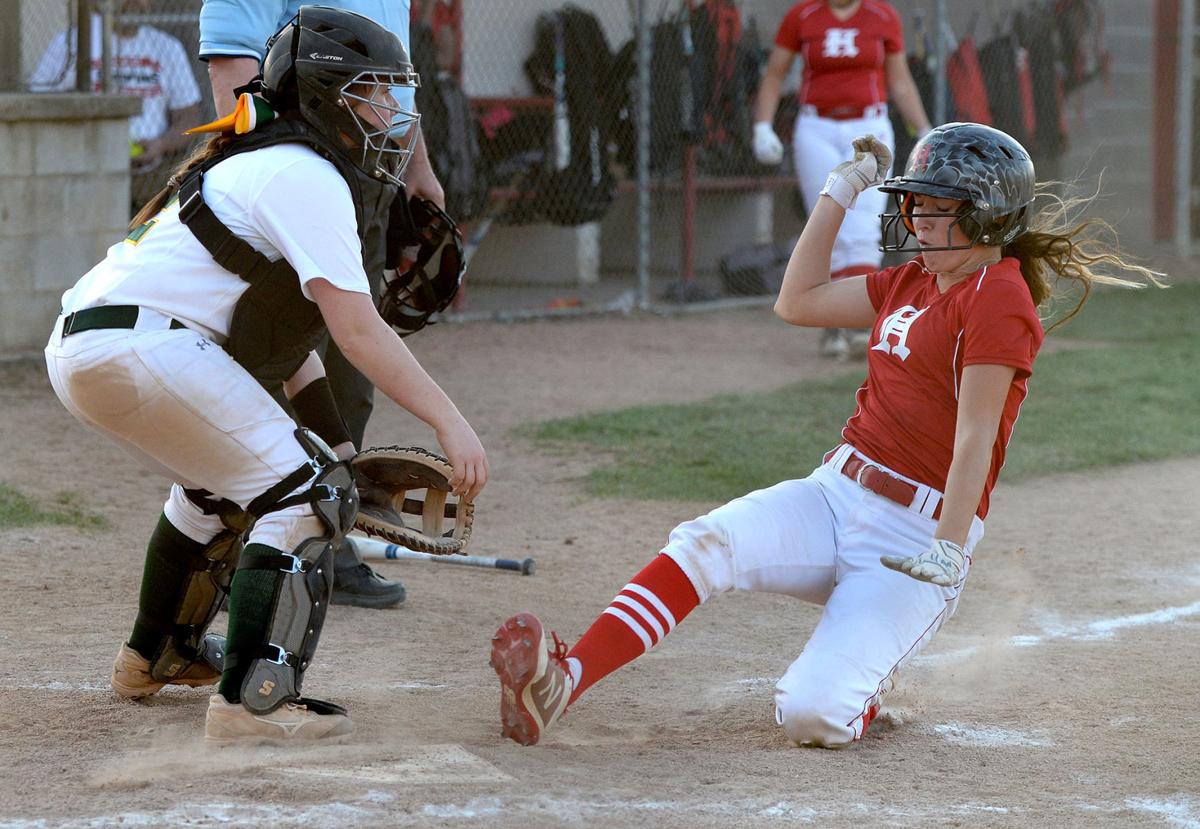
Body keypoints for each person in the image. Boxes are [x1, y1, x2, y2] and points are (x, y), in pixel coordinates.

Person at [489, 122, 1162, 748]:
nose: (918, 219)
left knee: (813, 714)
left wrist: (949, 547)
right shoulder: (913, 280)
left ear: (990, 216)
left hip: (916, 538)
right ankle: (565, 680)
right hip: (835, 493)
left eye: (940, 207)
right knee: (705, 543)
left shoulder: (997, 296)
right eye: (917, 203)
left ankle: (864, 684)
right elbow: (797, 301)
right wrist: (841, 192)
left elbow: (975, 437)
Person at [45, 7, 487, 743]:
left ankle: (154, 655)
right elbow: (358, 332)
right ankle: (255, 700)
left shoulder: (266, 160)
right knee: (306, 496)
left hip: (96, 346)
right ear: (325, 96)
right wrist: (450, 421)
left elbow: (288, 347)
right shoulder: (307, 174)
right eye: (374, 92)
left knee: (222, 486)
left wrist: (340, 448)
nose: (392, 111)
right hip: (144, 348)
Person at [197, 0, 447, 608]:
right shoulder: (290, 181)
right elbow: (233, 61)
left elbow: (389, 78)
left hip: (369, 162)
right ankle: (231, 544)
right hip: (301, 164)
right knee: (264, 359)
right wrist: (270, 176)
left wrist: (417, 167)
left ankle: (325, 533)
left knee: (348, 371)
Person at [752, 0, 931, 359]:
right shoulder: (803, 15)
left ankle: (861, 324)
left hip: (870, 123)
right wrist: (762, 124)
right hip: (816, 126)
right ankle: (832, 323)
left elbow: (900, 81)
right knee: (826, 218)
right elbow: (774, 74)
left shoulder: (881, 15)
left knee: (864, 226)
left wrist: (925, 130)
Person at [28, 0, 202, 174]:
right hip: (85, 170)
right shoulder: (71, 42)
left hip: (150, 174)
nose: (135, 2)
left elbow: (188, 117)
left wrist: (161, 144)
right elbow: (38, 102)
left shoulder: (167, 47)